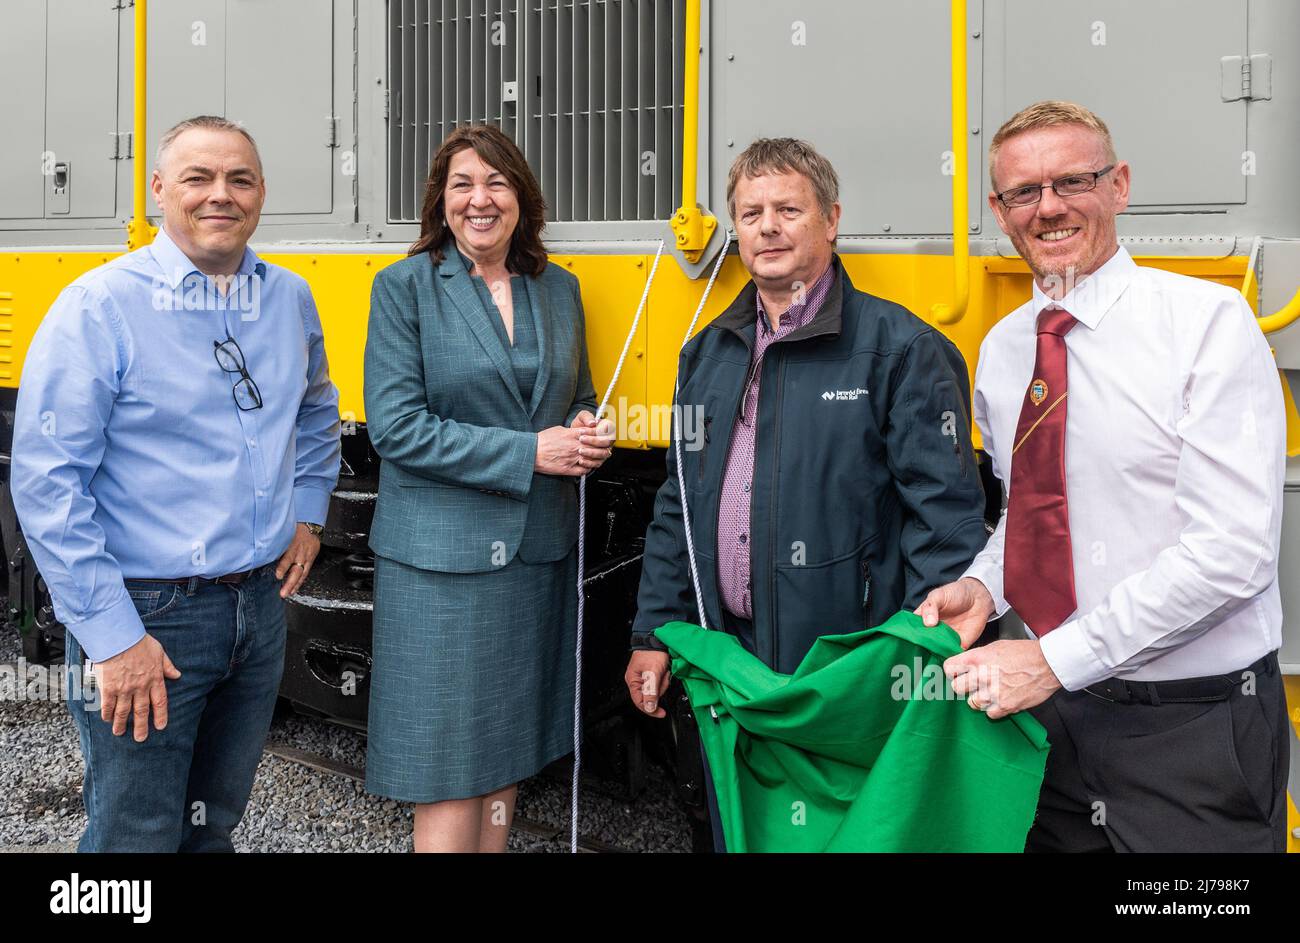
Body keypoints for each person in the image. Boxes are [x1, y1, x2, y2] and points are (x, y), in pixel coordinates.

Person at [916, 101, 1290, 852]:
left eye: (1073, 180)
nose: (1049, 207)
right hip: (1051, 725)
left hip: (1193, 732)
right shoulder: (1004, 348)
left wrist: (1054, 660)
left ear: (1118, 185)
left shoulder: (1207, 325)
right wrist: (987, 584)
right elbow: (1031, 509)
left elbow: (1233, 555)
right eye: (1024, 192)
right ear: (1000, 209)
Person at [624, 137, 989, 850]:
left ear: (831, 219)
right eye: (751, 211)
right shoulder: (706, 353)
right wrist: (652, 633)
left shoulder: (902, 350)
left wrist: (922, 664)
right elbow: (679, 509)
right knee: (734, 831)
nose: (768, 226)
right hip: (730, 667)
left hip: (844, 676)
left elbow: (945, 525)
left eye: (789, 208)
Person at [10, 115, 341, 852]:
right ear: (160, 189)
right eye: (198, 177)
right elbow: (47, 483)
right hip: (149, 613)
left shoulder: (287, 299)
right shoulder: (101, 307)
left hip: (255, 608)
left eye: (240, 178)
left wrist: (309, 512)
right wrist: (113, 638)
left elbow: (320, 410)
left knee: (211, 826)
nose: (220, 194)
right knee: (135, 834)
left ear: (260, 194)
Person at [363, 124, 614, 853]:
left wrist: (585, 426)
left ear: (521, 199)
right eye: (463, 184)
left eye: (497, 183)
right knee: (446, 768)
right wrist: (532, 452)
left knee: (505, 756)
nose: (481, 199)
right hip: (440, 565)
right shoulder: (404, 288)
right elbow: (398, 427)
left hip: (533, 558)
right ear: (441, 202)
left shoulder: (558, 289)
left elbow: (579, 393)